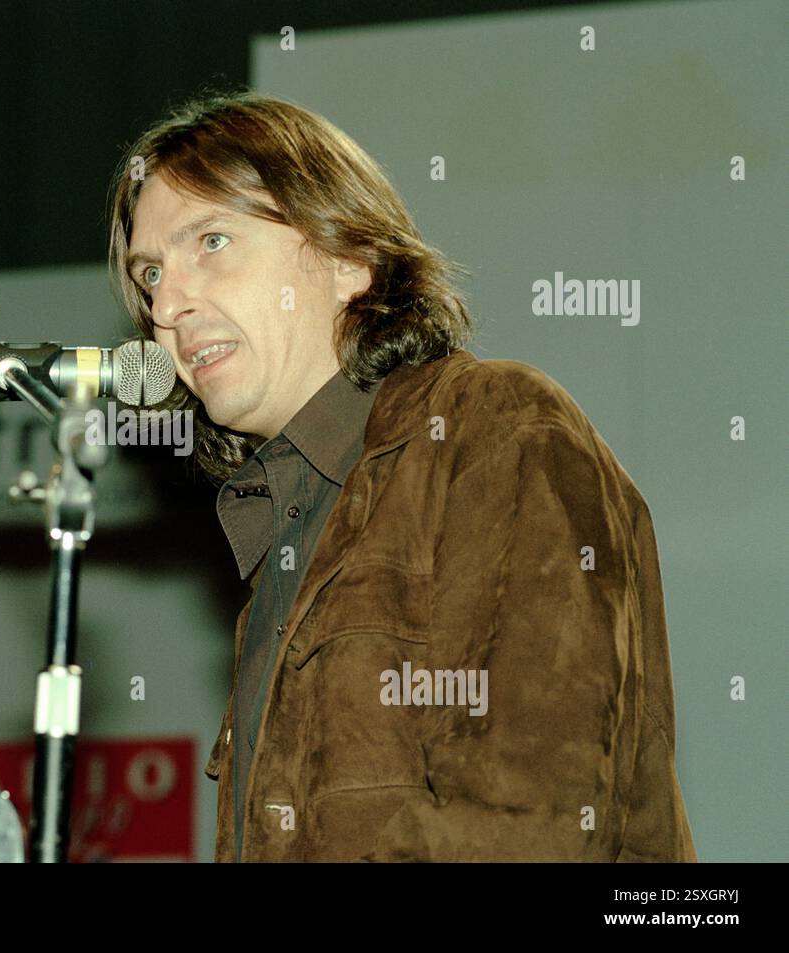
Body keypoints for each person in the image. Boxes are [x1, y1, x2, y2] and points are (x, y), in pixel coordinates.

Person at [105, 89, 697, 862]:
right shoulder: (285, 523)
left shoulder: (495, 430)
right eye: (150, 274)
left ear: (350, 256)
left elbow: (527, 831)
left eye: (211, 242)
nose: (168, 305)